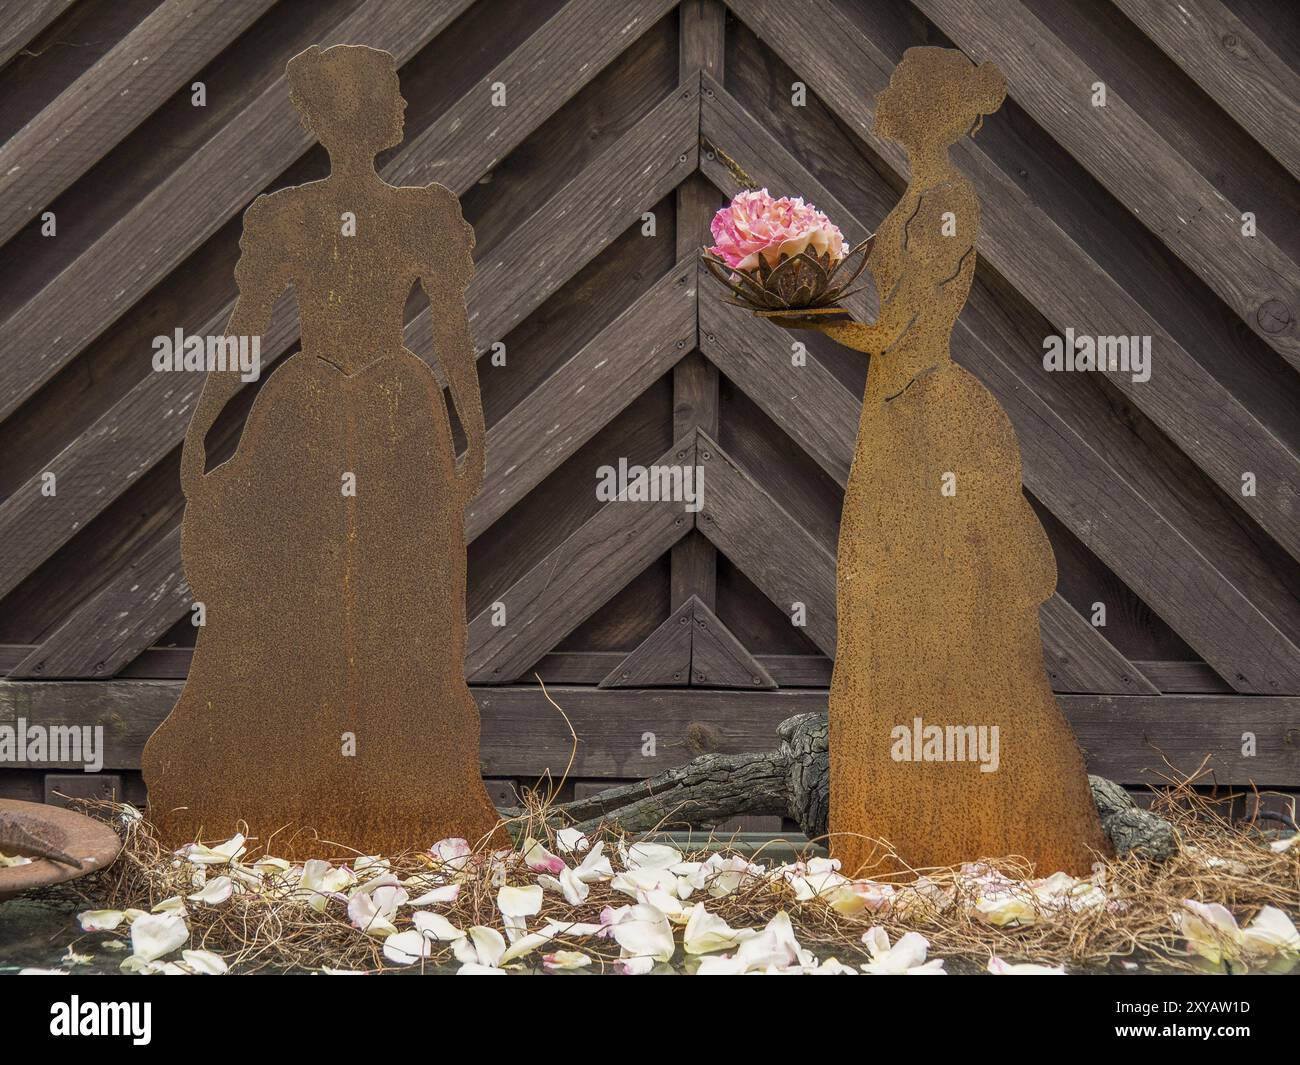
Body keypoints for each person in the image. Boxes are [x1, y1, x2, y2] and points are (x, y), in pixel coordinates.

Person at [143, 45, 504, 858]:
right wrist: (470, 435)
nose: (407, 108)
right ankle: (293, 803)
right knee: (318, 595)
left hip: (345, 414)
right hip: (370, 416)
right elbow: (446, 337)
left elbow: (247, 338)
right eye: (394, 94)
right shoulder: (379, 212)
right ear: (368, 113)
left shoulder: (317, 214)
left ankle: (389, 808)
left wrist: (204, 428)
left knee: (382, 600)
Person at [774, 48, 1107, 876]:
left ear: (927, 109)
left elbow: (897, 331)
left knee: (940, 602)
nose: (883, 98)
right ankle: (905, 818)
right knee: (891, 599)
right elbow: (860, 289)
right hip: (896, 414)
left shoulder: (951, 203)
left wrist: (809, 319)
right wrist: (785, 274)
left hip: (927, 411)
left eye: (897, 90)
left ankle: (982, 813)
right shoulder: (917, 196)